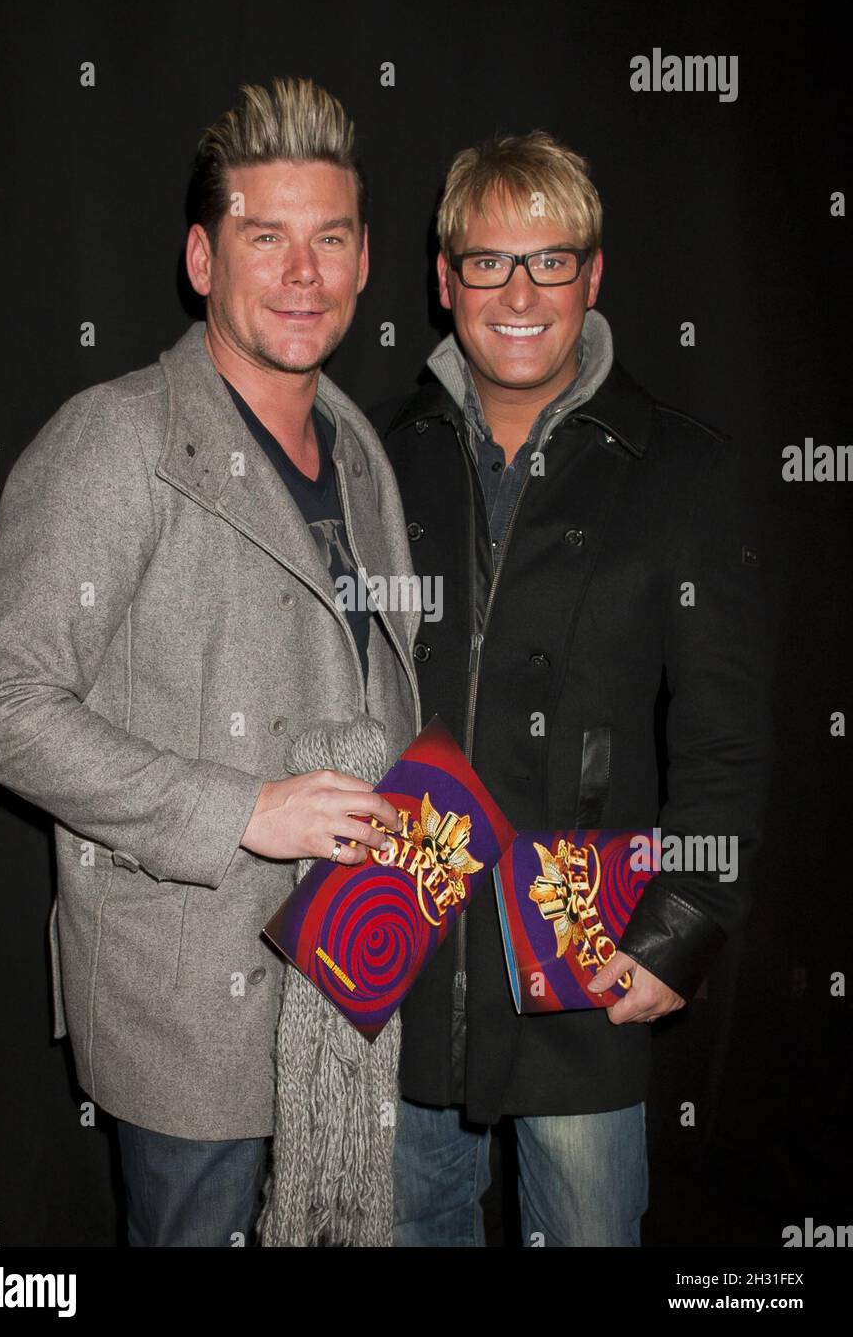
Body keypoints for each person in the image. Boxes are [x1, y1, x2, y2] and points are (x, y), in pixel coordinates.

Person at [0, 77, 420, 1247]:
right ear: (203, 261)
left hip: (350, 978)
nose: (303, 273)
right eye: (266, 238)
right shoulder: (111, 439)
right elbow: (1, 710)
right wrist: (243, 808)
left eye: (328, 240)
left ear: (366, 261)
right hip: (190, 1007)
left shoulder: (361, 444)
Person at [370, 130, 774, 1247]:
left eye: (549, 261)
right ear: (443, 280)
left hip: (585, 957)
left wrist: (681, 925)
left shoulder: (683, 472)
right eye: (488, 261)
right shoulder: (375, 456)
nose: (518, 292)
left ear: (592, 277)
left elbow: (725, 746)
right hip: (403, 949)